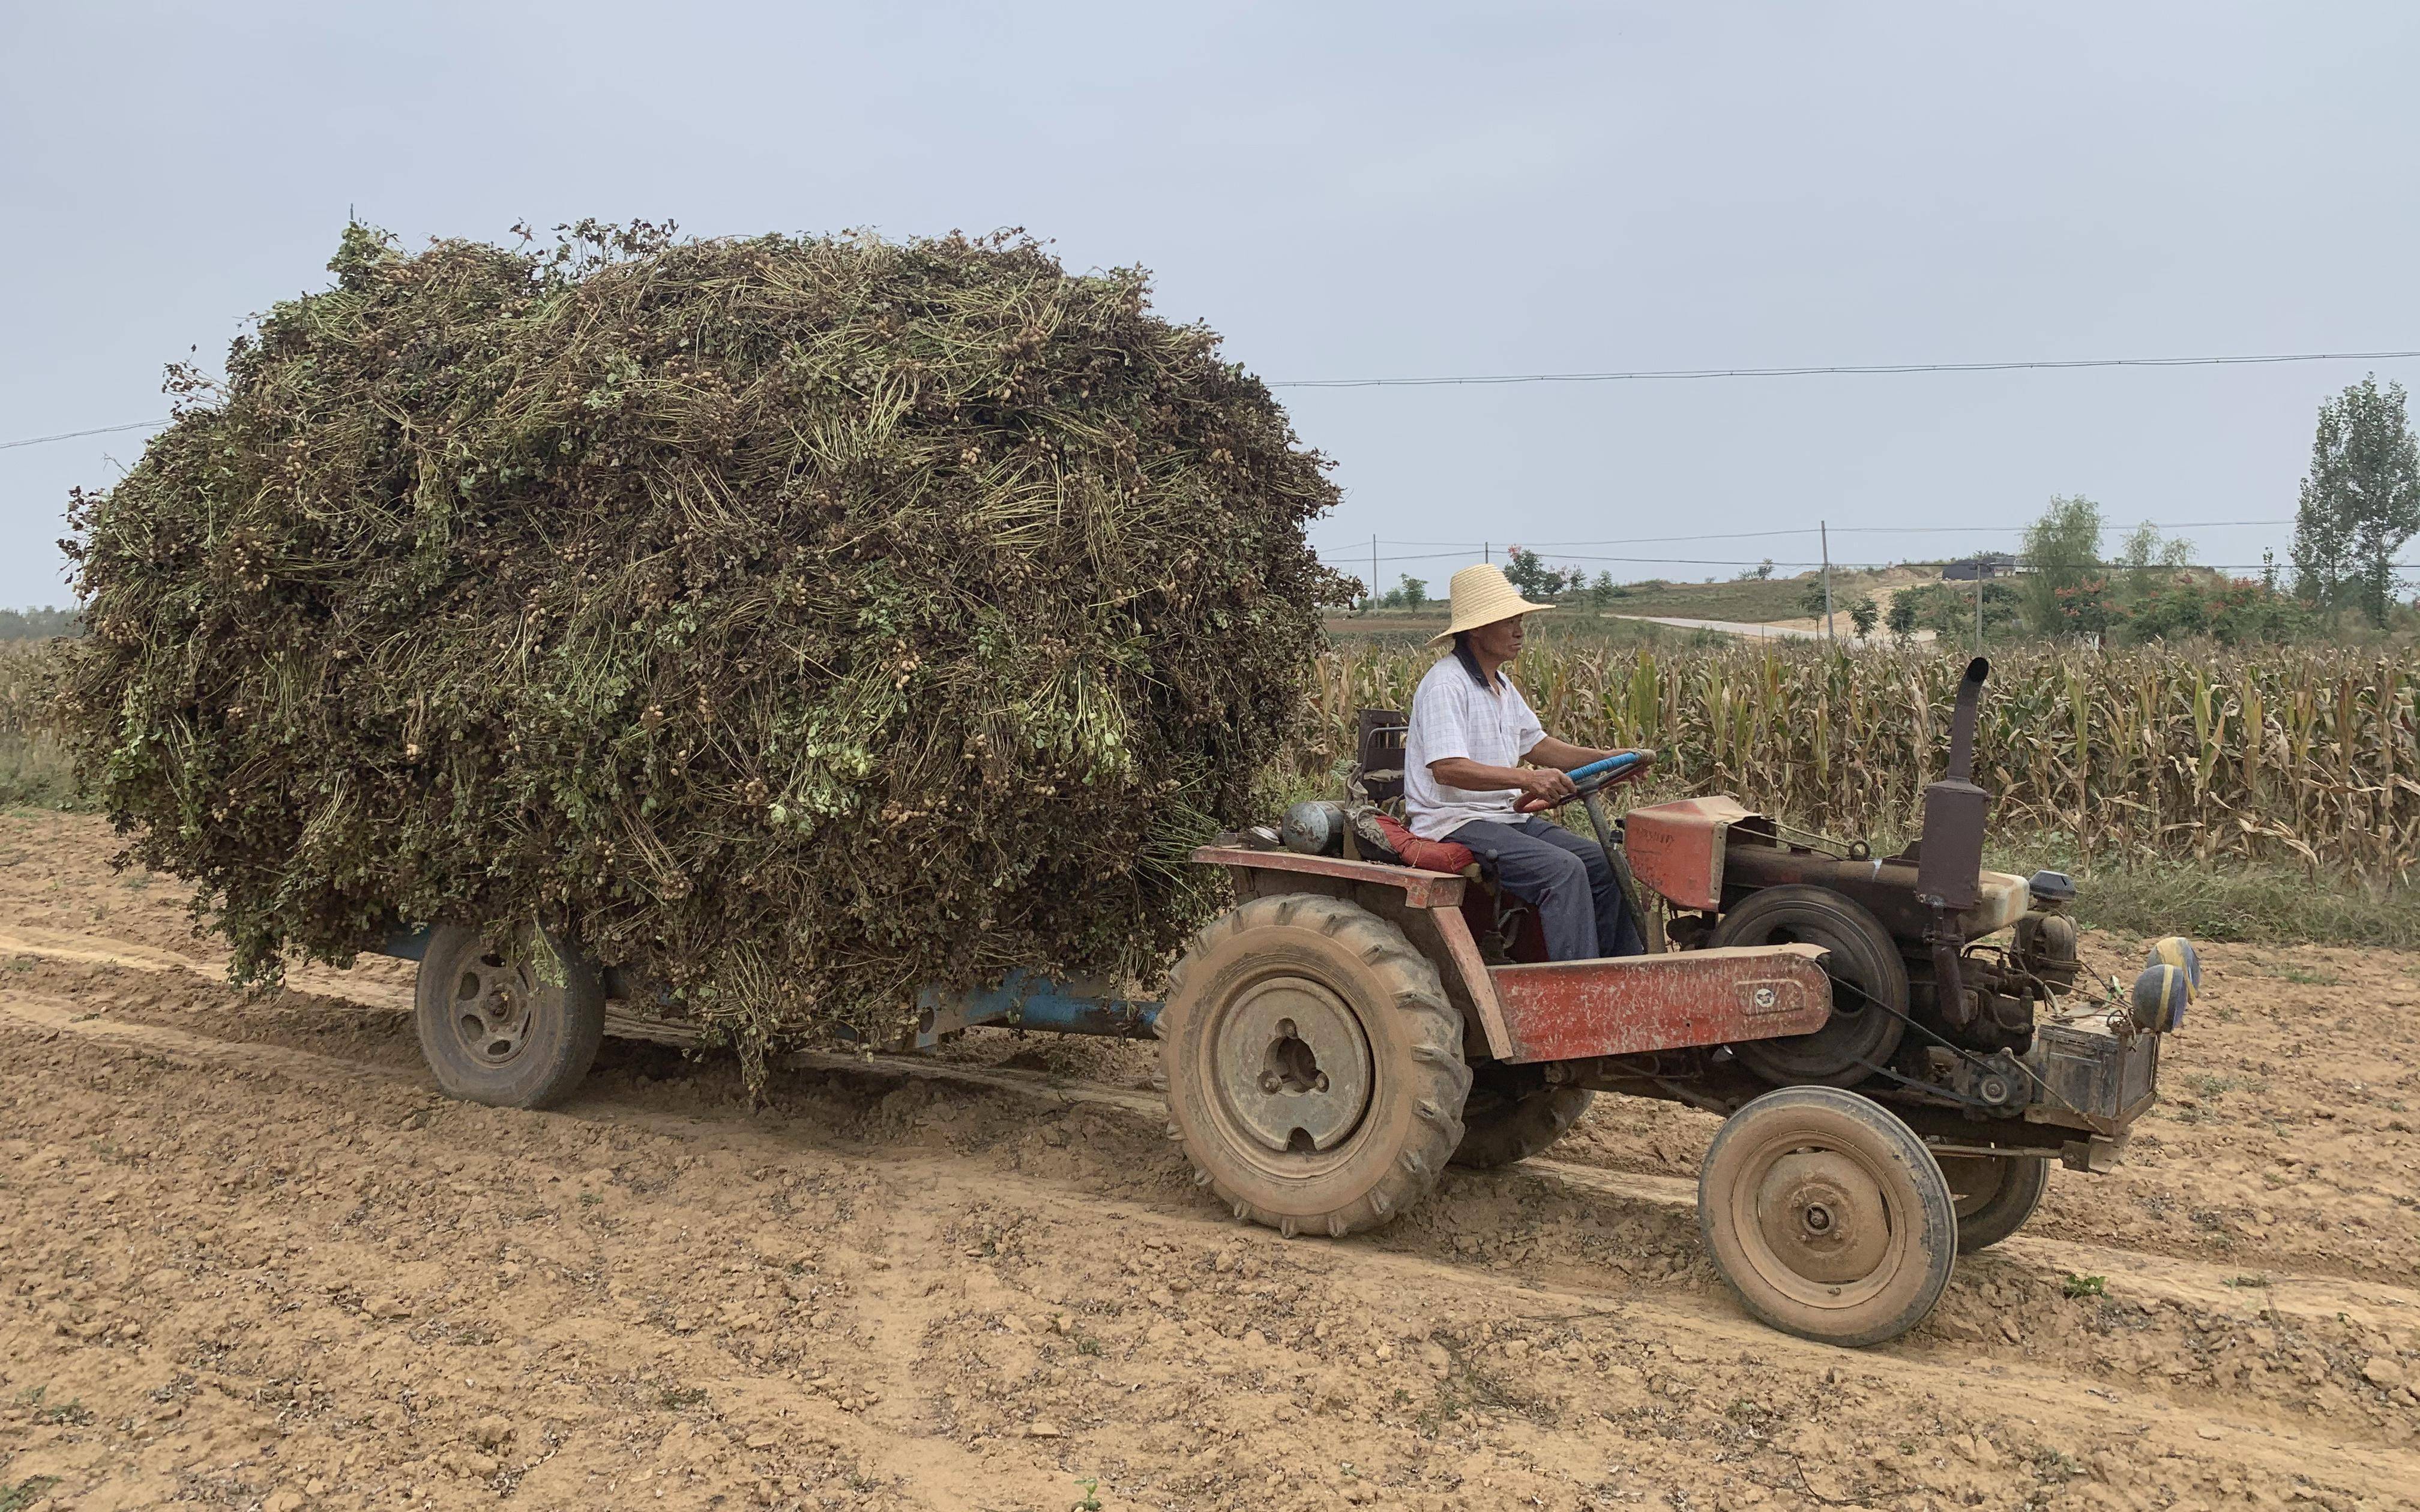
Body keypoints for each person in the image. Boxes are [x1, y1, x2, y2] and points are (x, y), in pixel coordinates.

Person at [1403, 563, 1645, 961]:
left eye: (1520, 621)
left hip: (1503, 818)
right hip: (1455, 822)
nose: (1520, 631)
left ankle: (1622, 971)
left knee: (1604, 863)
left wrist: (1608, 760)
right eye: (1508, 622)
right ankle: (1575, 989)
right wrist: (1528, 781)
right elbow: (1448, 768)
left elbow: (1539, 747)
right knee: (1562, 871)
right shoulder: (1446, 684)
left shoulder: (1500, 685)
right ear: (1477, 630)